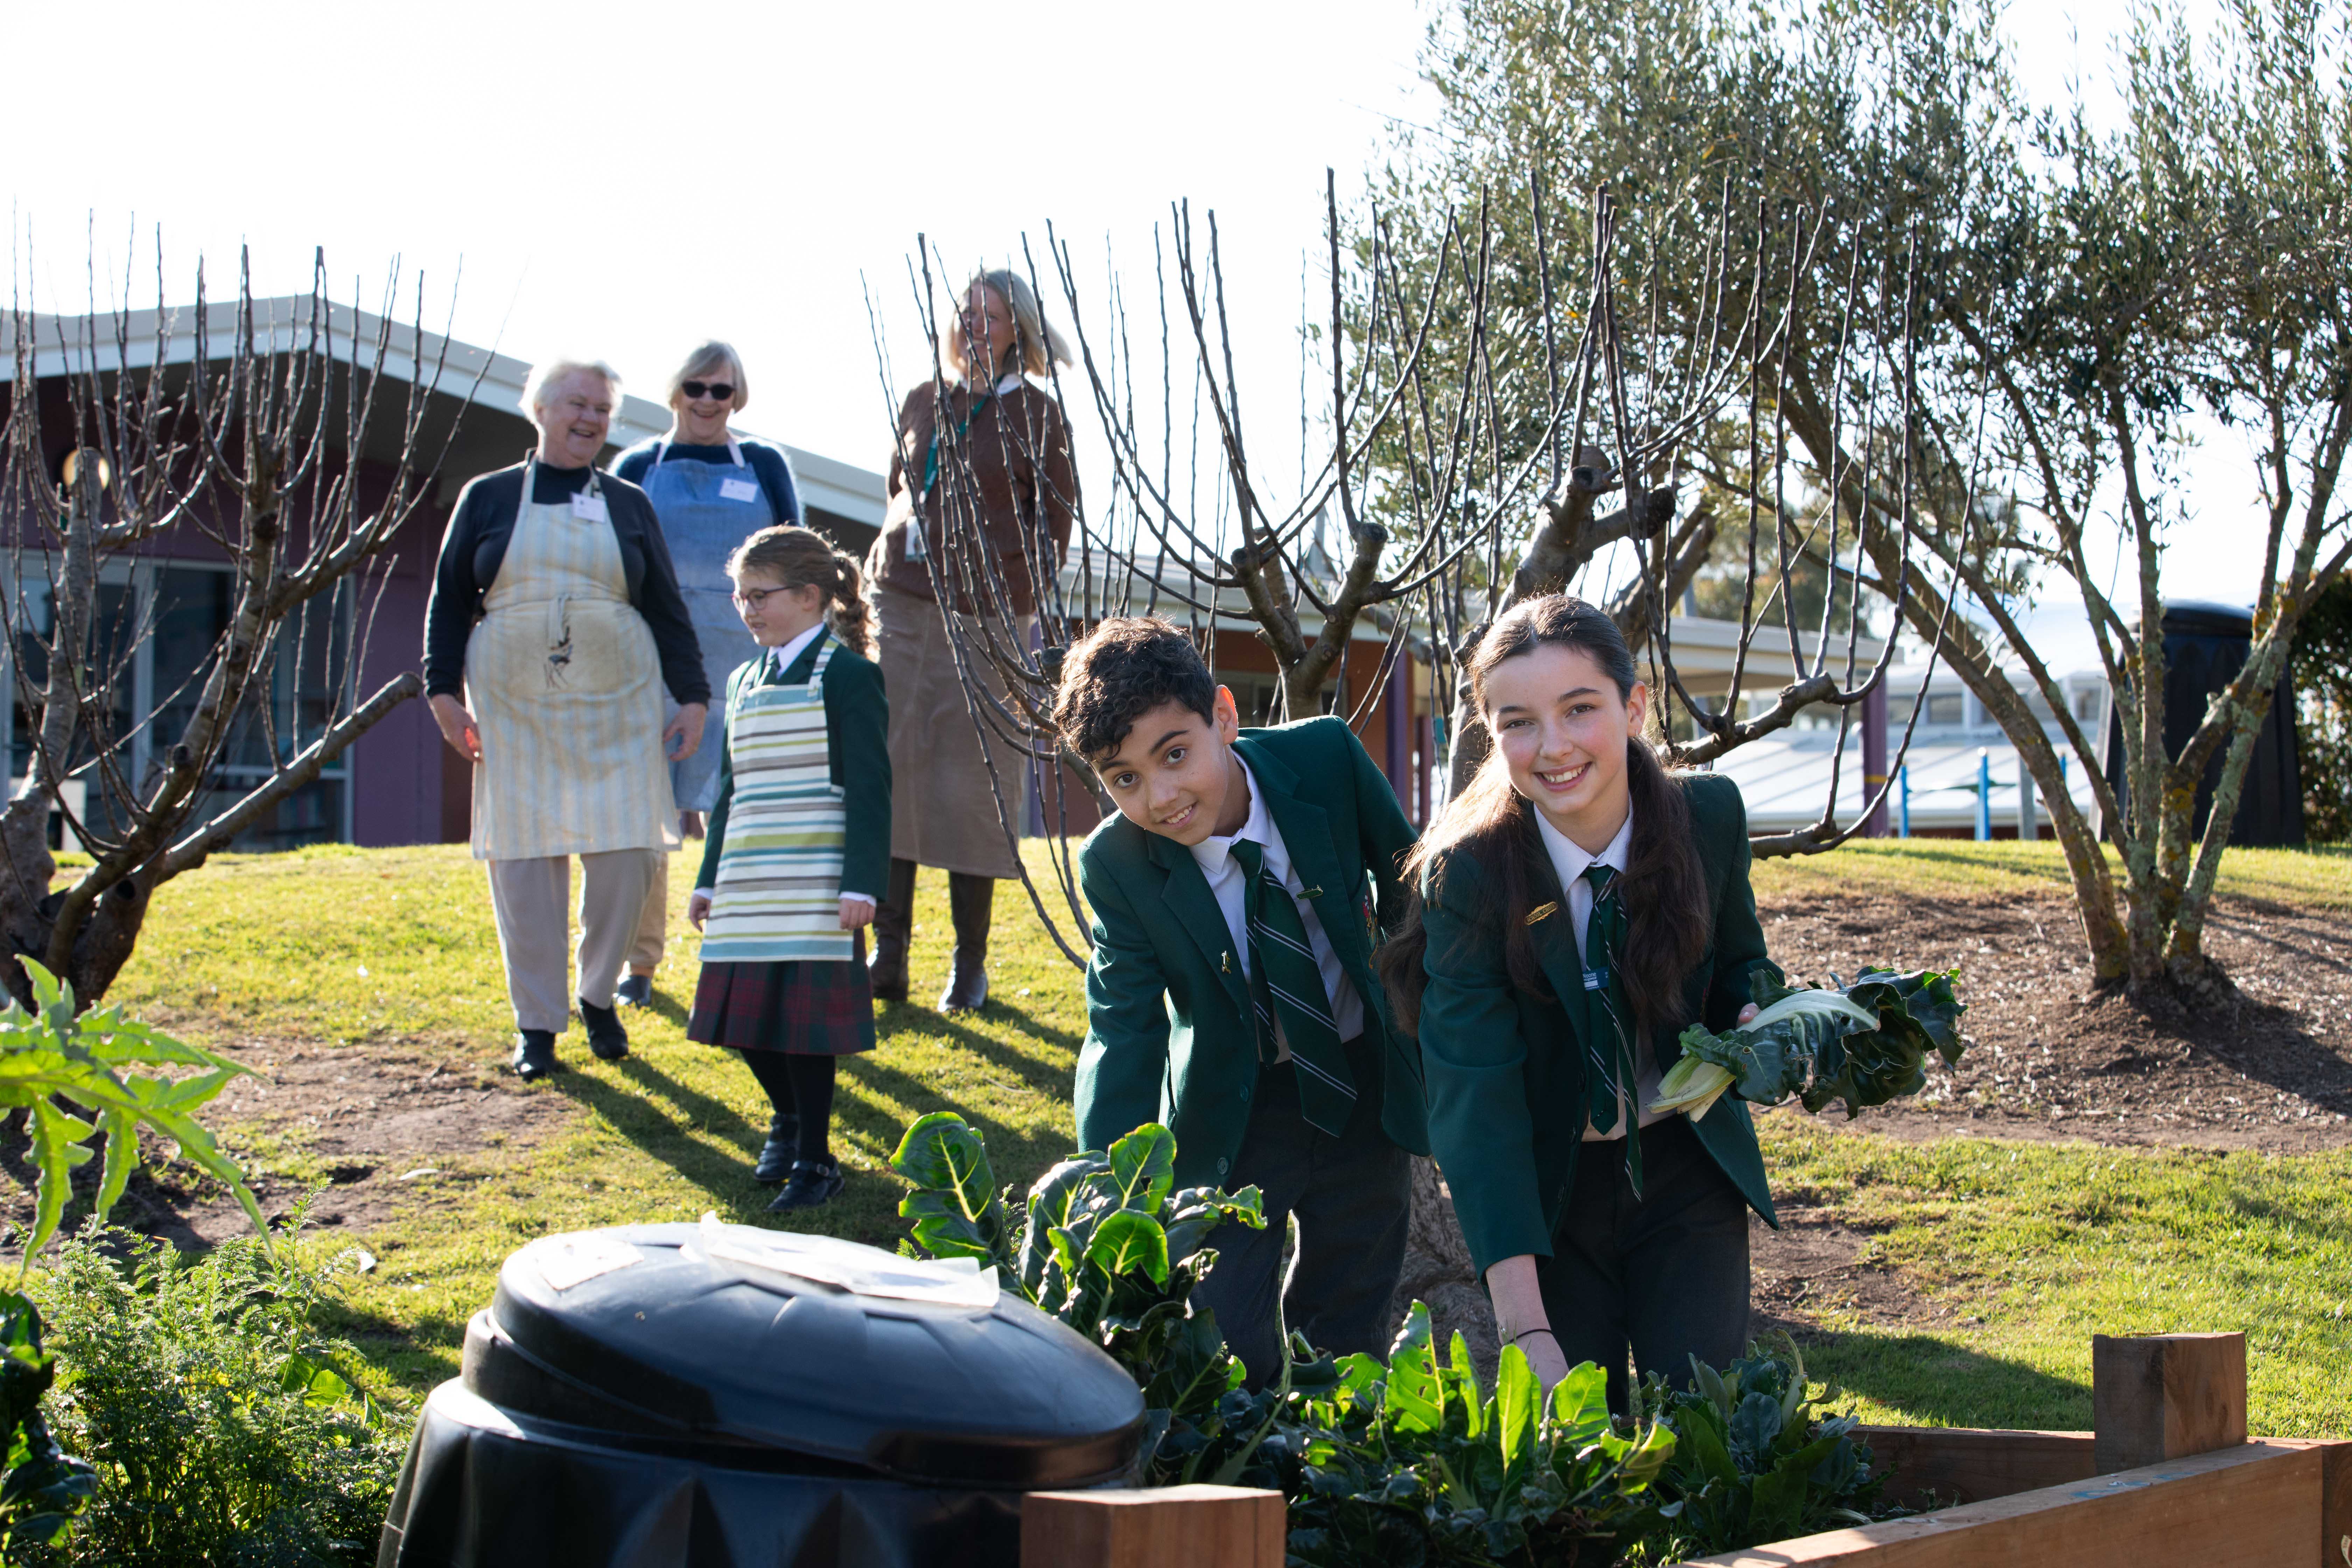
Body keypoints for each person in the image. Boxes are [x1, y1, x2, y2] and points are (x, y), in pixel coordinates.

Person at [1376, 594, 1774, 1412]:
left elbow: (1741, 967)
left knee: (1709, 1428)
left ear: (1633, 707)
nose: (1552, 747)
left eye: (1580, 709)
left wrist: (1765, 1022)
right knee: (1578, 1452)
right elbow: (1476, 1099)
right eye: (1517, 721)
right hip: (1548, 1190)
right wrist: (1525, 1329)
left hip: (1686, 1170)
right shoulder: (1470, 874)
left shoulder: (1709, 818)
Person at [1057, 617, 1427, 1384]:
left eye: (1175, 754)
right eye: (1123, 778)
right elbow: (1121, 1030)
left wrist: (1436, 1048)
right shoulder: (1117, 863)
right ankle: (1251, 1460)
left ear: (1224, 715)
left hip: (1361, 1079)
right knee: (1223, 1331)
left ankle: (1332, 1469)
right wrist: (1110, 1188)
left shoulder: (1324, 757)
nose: (1160, 796)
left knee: (1352, 1302)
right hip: (1238, 1102)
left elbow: (1413, 899)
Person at [424, 359, 708, 1080]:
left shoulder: (627, 502)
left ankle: (596, 993)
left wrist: (694, 697)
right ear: (540, 408)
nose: (590, 418)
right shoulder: (486, 496)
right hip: (515, 706)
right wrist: (442, 693)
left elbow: (667, 608)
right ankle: (538, 1022)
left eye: (603, 409)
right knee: (524, 865)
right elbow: (450, 598)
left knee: (627, 856)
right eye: (577, 403)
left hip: (621, 702)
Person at [866, 269, 1077, 1011]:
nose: (977, 326)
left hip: (986, 616)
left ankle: (969, 962)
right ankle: (887, 956)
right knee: (890, 772)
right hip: (902, 603)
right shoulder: (925, 400)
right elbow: (898, 485)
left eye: (993, 315)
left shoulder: (1040, 415)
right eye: (967, 314)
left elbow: (1056, 523)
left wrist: (1012, 594)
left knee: (972, 784)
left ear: (1019, 327)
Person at [686, 525, 889, 1212]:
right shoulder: (742, 679)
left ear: (809, 596)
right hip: (748, 875)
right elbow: (729, 785)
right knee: (739, 1020)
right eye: (739, 596)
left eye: (760, 595)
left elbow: (870, 786)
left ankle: (815, 1158)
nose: (747, 608)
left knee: (803, 1029)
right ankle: (789, 1116)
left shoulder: (850, 676)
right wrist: (708, 876)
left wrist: (862, 882)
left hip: (816, 879)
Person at [609, 342, 805, 1008]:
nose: (707, 402)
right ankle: (638, 965)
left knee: (745, 814)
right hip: (653, 662)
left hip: (744, 661)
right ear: (675, 392)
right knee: (646, 822)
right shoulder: (637, 465)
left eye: (721, 391)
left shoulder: (765, 464)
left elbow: (795, 558)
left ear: (737, 398)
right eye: (696, 387)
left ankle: (738, 959)